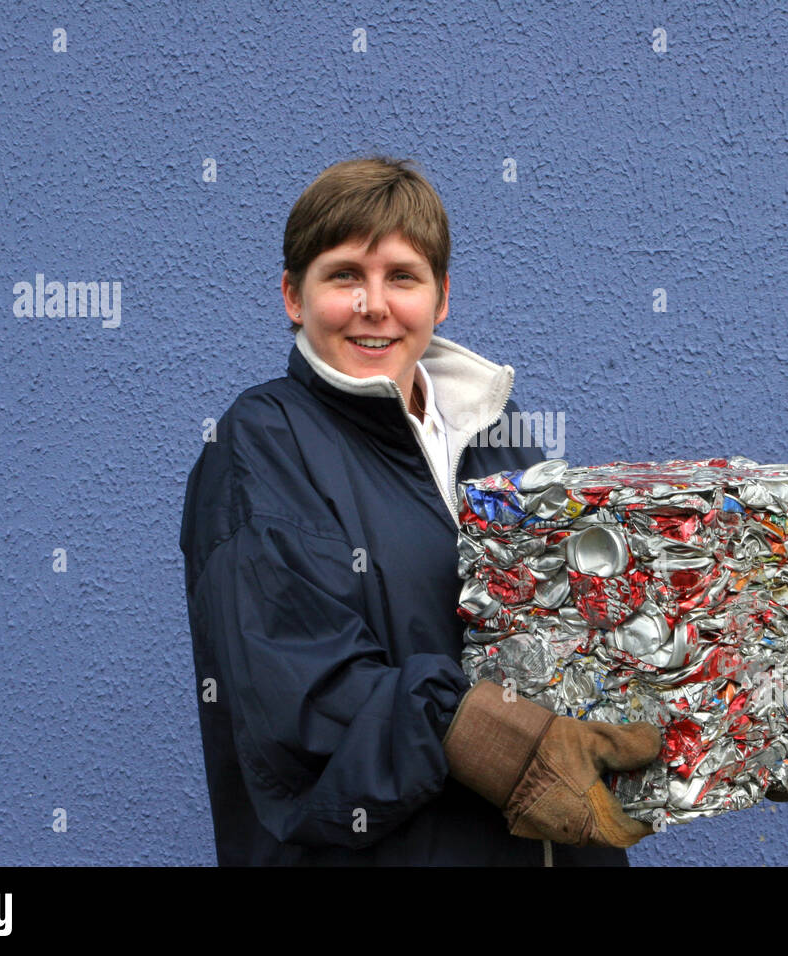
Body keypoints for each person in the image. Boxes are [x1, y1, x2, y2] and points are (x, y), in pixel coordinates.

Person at [178, 156, 665, 866]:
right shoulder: (259, 448)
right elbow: (302, 699)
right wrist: (501, 741)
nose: (374, 305)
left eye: (401, 277)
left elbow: (567, 635)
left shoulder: (498, 435)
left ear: (439, 300)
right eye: (344, 275)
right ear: (293, 295)